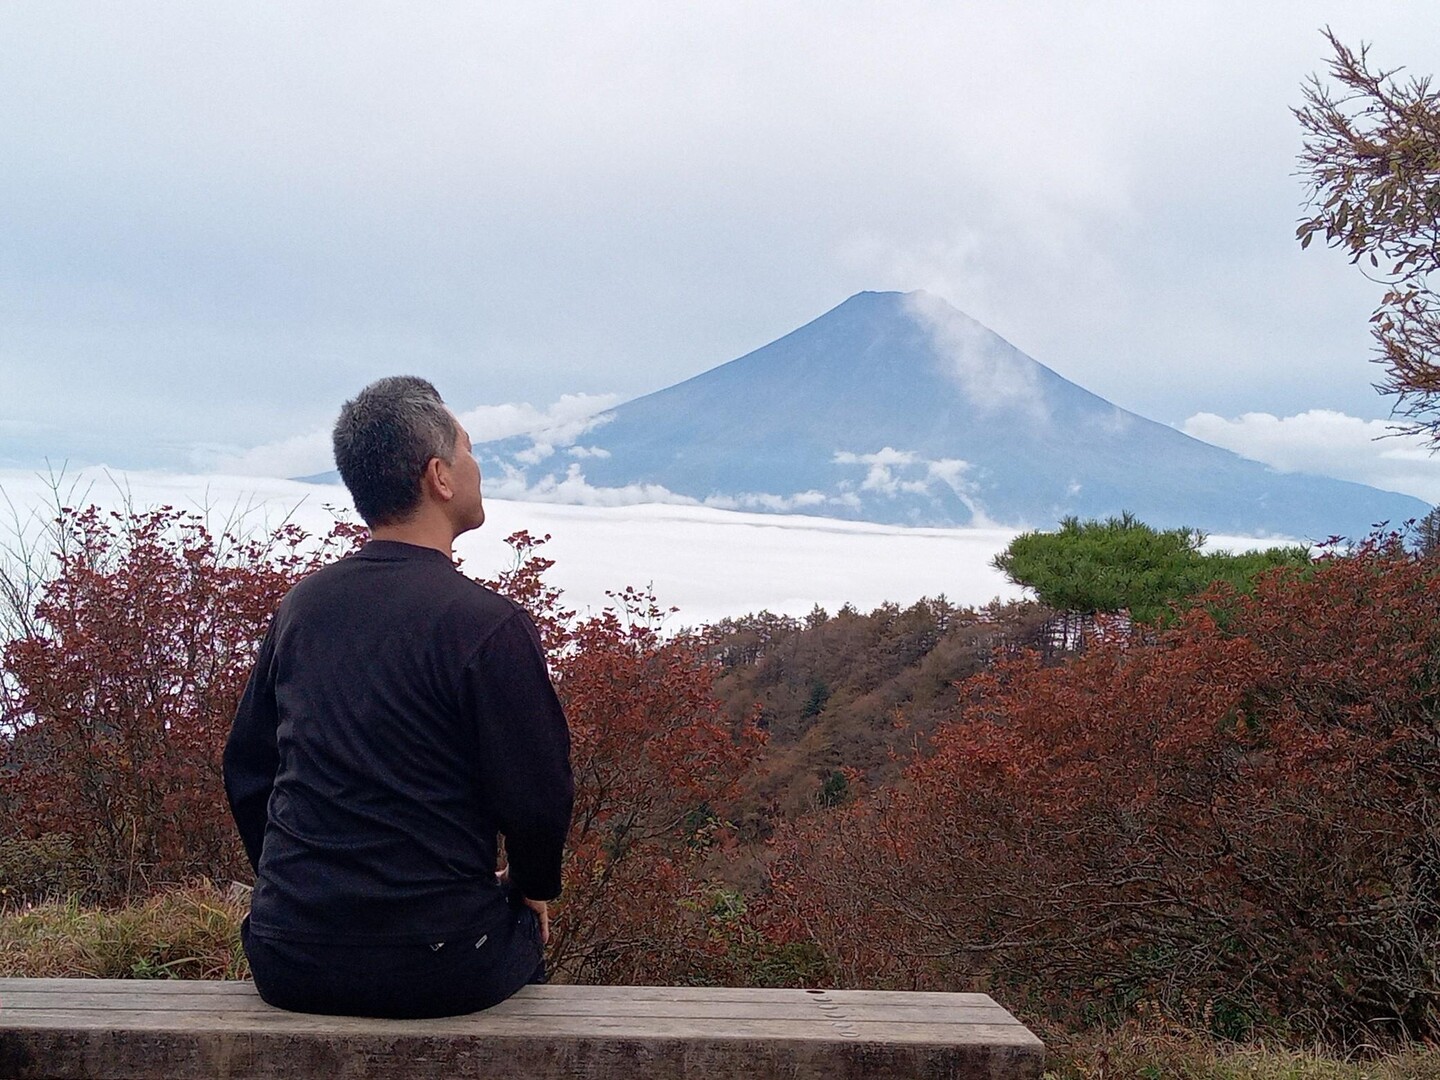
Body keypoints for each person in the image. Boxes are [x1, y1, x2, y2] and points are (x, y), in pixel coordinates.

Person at [224, 376, 574, 1018]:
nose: (477, 466)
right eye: (469, 451)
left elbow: (248, 770)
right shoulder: (485, 625)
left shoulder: (302, 608)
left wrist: (294, 891)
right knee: (522, 936)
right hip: (438, 962)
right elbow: (537, 799)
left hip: (287, 955)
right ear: (439, 477)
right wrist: (530, 887)